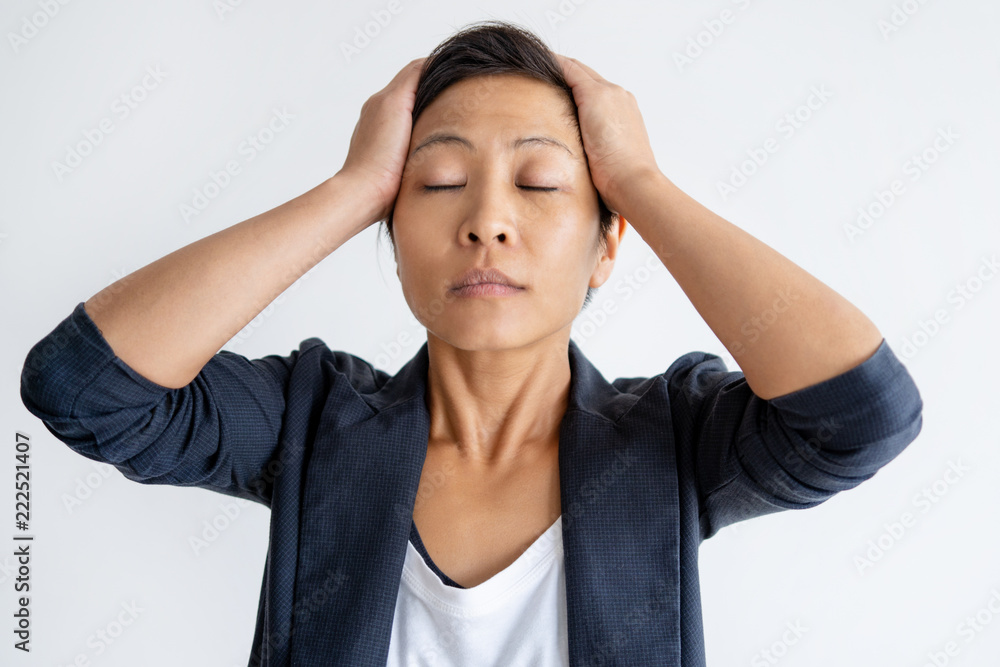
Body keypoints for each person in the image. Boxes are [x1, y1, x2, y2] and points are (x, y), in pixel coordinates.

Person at [20, 19, 923, 667]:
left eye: (539, 182)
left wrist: (640, 180)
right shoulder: (311, 419)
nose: (488, 219)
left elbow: (863, 415)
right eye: (441, 180)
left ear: (608, 244)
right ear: (393, 228)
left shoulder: (671, 440)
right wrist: (350, 186)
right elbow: (85, 387)